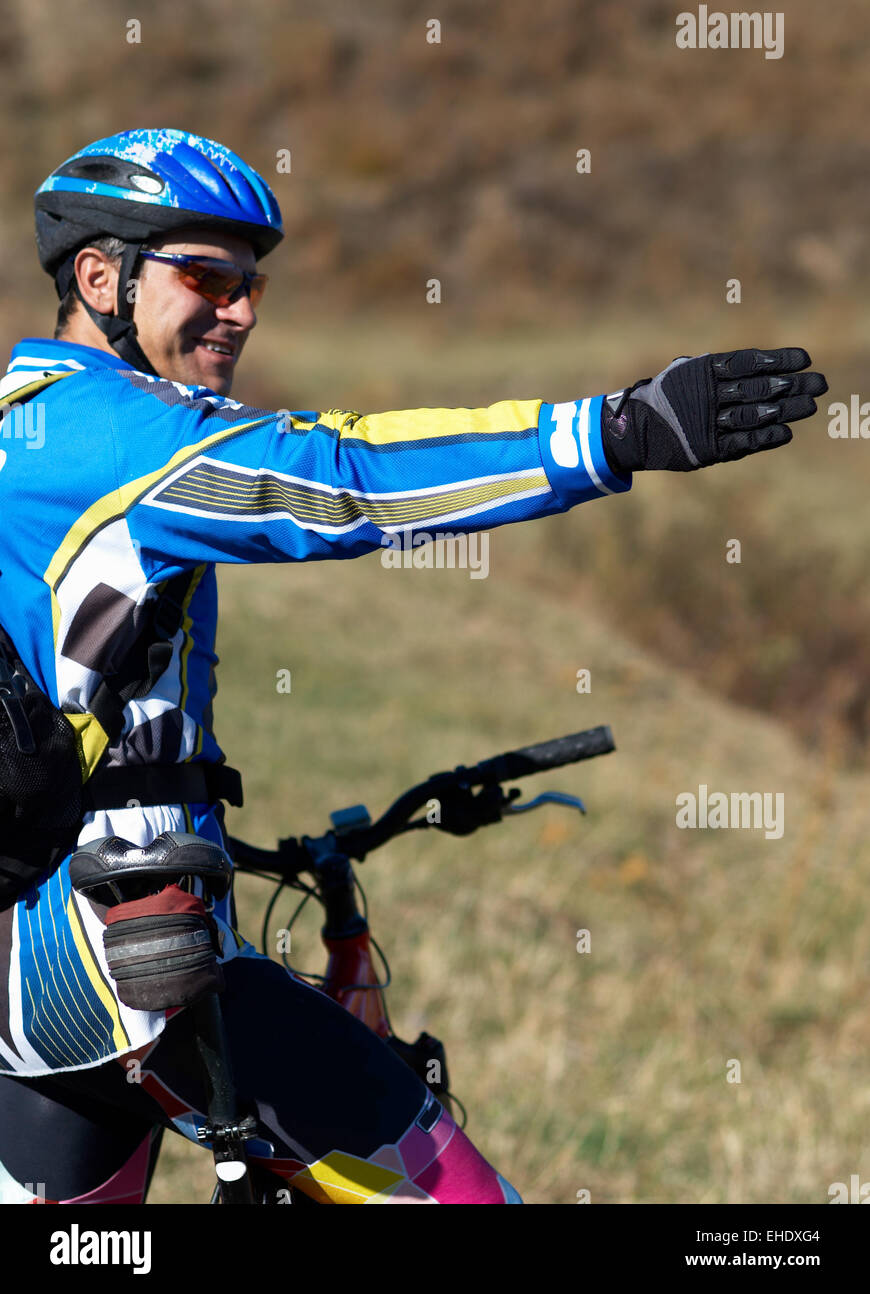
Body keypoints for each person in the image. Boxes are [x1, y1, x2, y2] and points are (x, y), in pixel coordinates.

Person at [0, 129, 827, 1205]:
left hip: (31, 992)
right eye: (206, 276)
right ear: (100, 277)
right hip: (142, 968)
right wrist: (616, 434)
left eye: (251, 284)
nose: (242, 310)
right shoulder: (123, 438)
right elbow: (340, 478)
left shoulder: (21, 424)